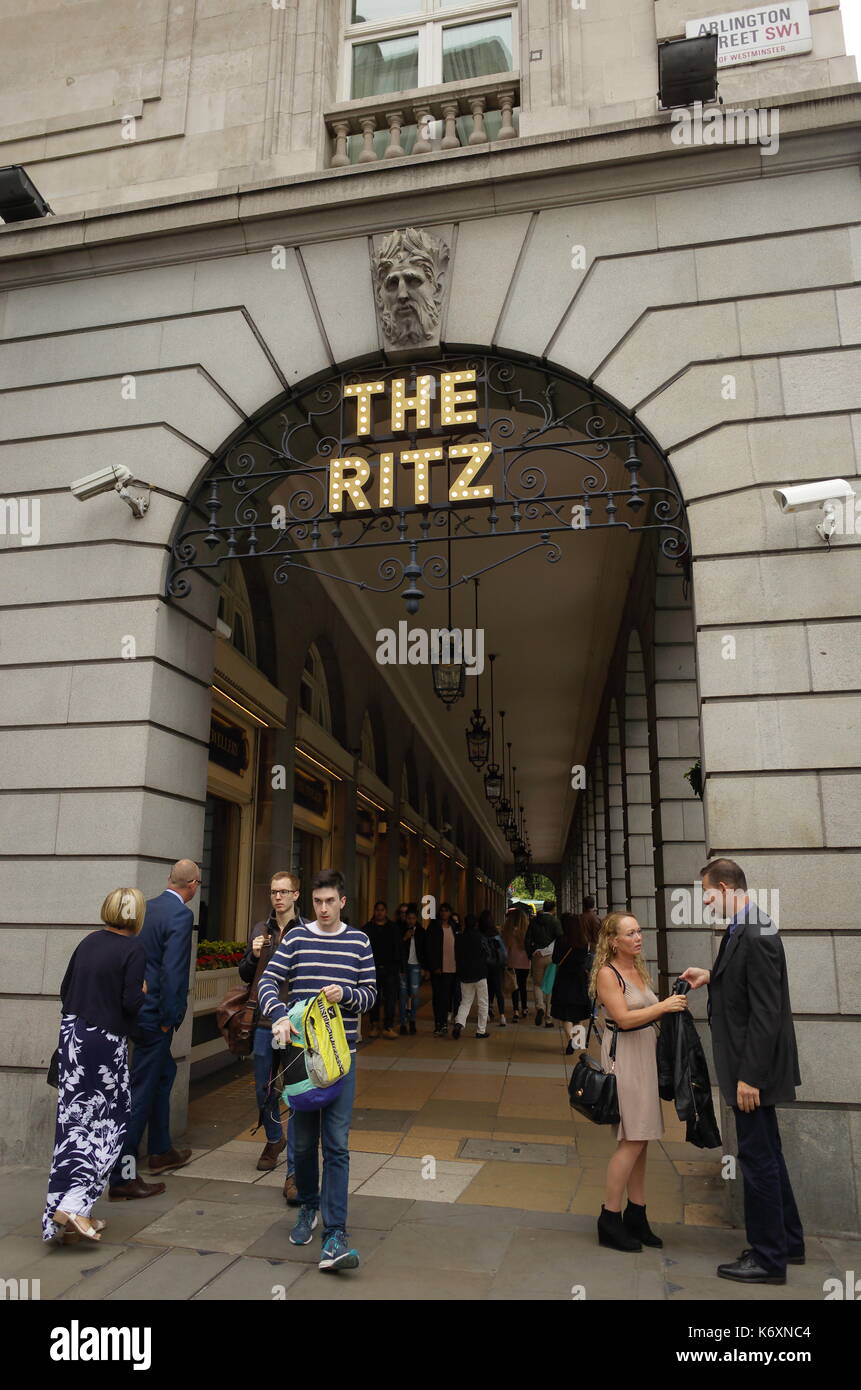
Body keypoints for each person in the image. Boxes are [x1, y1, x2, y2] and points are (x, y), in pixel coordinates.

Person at [681, 859, 803, 1285]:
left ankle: (769, 1259)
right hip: (754, 1067)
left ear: (728, 887)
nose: (707, 902)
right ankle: (788, 1241)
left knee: (757, 1159)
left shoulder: (755, 931)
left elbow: (767, 1013)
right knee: (768, 1152)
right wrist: (711, 977)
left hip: (754, 1071)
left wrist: (749, 1076)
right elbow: (745, 984)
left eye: (709, 894)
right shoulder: (744, 927)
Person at [259, 868, 376, 1272]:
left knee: (338, 1145)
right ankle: (307, 1206)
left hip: (342, 1059)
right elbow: (268, 982)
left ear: (342, 902)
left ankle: (336, 1230)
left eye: (330, 901)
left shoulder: (359, 941)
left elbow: (372, 994)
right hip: (300, 1059)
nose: (323, 909)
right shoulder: (296, 938)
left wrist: (348, 994)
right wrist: (277, 1016)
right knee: (304, 1144)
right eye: (317, 902)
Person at [42, 888, 148, 1242]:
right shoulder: (134, 949)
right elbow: (131, 1002)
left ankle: (64, 1211)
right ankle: (74, 1206)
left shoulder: (88, 942)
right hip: (104, 1043)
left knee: (73, 1125)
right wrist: (143, 992)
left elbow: (64, 989)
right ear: (137, 915)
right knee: (109, 1124)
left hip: (72, 1037)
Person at [592, 912, 688, 1252]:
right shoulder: (608, 973)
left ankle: (637, 1213)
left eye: (639, 931)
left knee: (643, 1137)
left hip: (645, 1056)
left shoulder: (636, 969)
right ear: (613, 940)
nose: (638, 937)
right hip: (626, 1059)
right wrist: (664, 1006)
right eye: (630, 933)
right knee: (632, 1139)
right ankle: (609, 1217)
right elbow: (623, 1018)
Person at [109, 859, 200, 1199]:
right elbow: (174, 972)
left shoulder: (145, 907)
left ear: (169, 880)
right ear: (192, 885)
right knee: (141, 1091)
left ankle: (161, 1150)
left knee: (164, 1075)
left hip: (136, 1012)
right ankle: (123, 1176)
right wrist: (171, 1016)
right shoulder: (181, 915)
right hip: (155, 1018)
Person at [238, 869, 306, 1201]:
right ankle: (273, 1137)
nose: (277, 897)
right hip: (265, 1021)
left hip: (295, 1022)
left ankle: (294, 1170)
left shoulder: (307, 931)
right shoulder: (260, 930)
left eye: (283, 891)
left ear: (296, 895)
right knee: (263, 1087)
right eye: (273, 892)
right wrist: (252, 955)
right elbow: (245, 975)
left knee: (295, 1091)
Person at [551, 913, 591, 1053]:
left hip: (564, 978)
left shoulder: (561, 940)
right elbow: (585, 961)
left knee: (566, 1014)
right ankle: (578, 1042)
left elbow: (555, 960)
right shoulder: (584, 940)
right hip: (579, 979)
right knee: (578, 1014)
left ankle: (571, 1040)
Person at [363, 900, 401, 1039]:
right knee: (375, 999)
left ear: (386, 912)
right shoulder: (368, 928)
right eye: (377, 910)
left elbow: (398, 948)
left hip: (390, 969)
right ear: (374, 911)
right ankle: (374, 1025)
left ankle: (388, 1026)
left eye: (382, 910)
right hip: (372, 969)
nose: (379, 912)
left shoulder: (393, 928)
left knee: (391, 998)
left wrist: (398, 967)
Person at [452, 914, 492, 1039]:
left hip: (465, 975)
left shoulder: (459, 938)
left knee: (465, 1002)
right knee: (483, 1003)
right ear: (476, 924)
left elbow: (457, 956)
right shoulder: (481, 937)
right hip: (480, 973)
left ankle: (459, 1023)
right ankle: (481, 1031)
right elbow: (488, 954)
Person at [526, 898, 562, 1026]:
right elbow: (560, 938)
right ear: (553, 909)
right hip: (551, 957)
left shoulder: (534, 921)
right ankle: (548, 1017)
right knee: (549, 985)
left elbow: (527, 938)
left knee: (537, 984)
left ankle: (539, 1007)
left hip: (537, 955)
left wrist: (531, 953)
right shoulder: (555, 921)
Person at [424, 901, 459, 1036]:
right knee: (438, 997)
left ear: (450, 912)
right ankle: (438, 1023)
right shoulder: (433, 927)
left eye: (447, 910)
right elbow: (429, 948)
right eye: (442, 910)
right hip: (438, 968)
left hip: (452, 968)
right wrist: (433, 966)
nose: (444, 913)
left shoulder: (454, 926)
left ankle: (444, 1023)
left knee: (447, 997)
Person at [399, 903, 425, 1034]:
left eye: (413, 918)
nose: (411, 921)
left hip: (416, 965)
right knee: (403, 996)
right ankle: (403, 1023)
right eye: (409, 918)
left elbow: (425, 950)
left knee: (414, 995)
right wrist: (405, 937)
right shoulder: (400, 929)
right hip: (403, 966)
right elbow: (396, 948)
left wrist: (424, 968)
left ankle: (412, 1020)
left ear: (416, 919)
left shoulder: (421, 931)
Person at [502, 905, 530, 1021]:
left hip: (512, 961)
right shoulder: (527, 931)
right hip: (525, 962)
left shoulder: (508, 932)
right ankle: (524, 1008)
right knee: (523, 985)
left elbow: (506, 948)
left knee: (515, 986)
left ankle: (516, 1011)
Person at [479, 908, 507, 1026]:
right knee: (498, 990)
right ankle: (502, 1016)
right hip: (496, 966)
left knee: (485, 991)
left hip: (483, 966)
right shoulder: (496, 934)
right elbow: (503, 952)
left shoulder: (480, 934)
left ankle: (486, 1014)